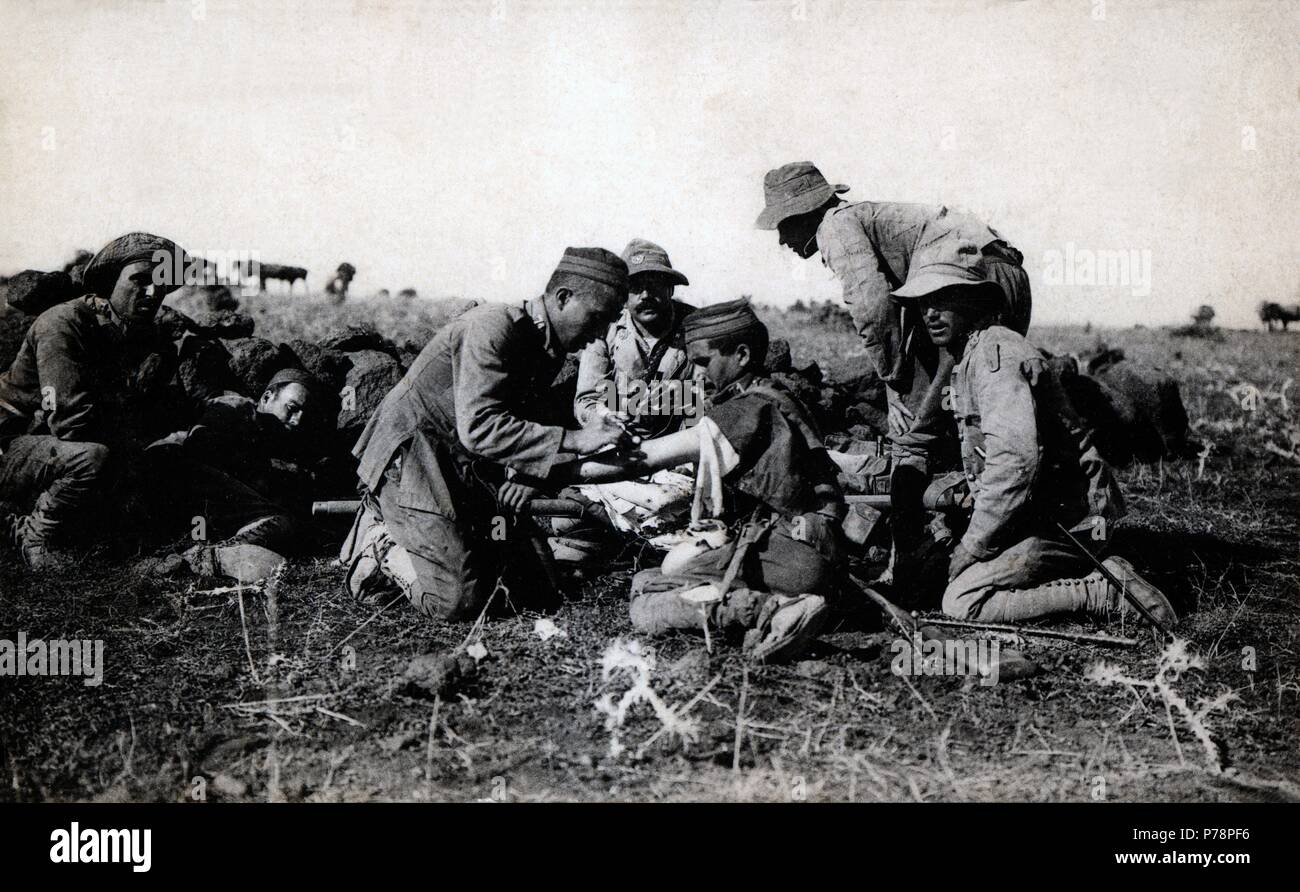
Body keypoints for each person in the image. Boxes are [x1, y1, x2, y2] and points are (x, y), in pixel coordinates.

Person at [755, 161, 1031, 566]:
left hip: (962, 286)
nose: (782, 240)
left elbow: (871, 304)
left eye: (783, 226)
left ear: (802, 214)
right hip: (999, 279)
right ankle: (973, 538)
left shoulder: (835, 225)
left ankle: (914, 559)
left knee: (915, 435)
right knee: (966, 418)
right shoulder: (864, 218)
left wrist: (894, 376)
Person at [340, 247, 636, 622]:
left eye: (608, 324)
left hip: (465, 464)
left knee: (537, 586)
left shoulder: (546, 345)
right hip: (412, 459)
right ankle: (380, 541)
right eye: (596, 319)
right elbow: (481, 427)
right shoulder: (493, 327)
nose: (598, 336)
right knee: (458, 600)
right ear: (563, 298)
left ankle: (428, 533)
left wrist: (530, 473)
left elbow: (522, 420)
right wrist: (576, 440)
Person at [890, 251, 1176, 626]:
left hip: (1069, 523)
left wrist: (971, 547)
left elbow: (1015, 464)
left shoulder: (995, 357)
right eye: (924, 303)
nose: (930, 313)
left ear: (975, 301)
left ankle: (1103, 590)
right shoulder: (973, 353)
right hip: (1038, 514)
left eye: (943, 300)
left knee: (960, 601)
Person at [558, 299, 846, 663]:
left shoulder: (746, 410)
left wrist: (560, 468)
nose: (700, 374)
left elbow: (643, 459)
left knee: (646, 596)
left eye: (704, 362)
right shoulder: (775, 396)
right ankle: (778, 604)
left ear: (741, 354)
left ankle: (768, 610)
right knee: (658, 575)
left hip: (792, 554)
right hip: (817, 549)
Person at [0, 232, 185, 568]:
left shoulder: (147, 338)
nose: (151, 292)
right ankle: (32, 535)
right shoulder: (64, 323)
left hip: (55, 450)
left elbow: (162, 414)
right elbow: (72, 423)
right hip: (11, 444)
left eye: (160, 284)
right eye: (139, 280)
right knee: (93, 458)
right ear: (110, 282)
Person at [148, 367, 320, 580]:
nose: (297, 420)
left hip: (191, 500)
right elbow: (199, 452)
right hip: (163, 477)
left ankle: (199, 554)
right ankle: (200, 557)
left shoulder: (271, 435)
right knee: (281, 522)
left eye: (305, 415)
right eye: (292, 408)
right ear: (267, 397)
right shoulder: (235, 408)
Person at [573, 239, 699, 438]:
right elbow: (586, 400)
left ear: (670, 290)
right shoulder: (605, 330)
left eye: (655, 284)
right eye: (636, 286)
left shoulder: (696, 327)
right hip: (619, 440)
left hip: (679, 444)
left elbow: (707, 397)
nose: (646, 295)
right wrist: (610, 419)